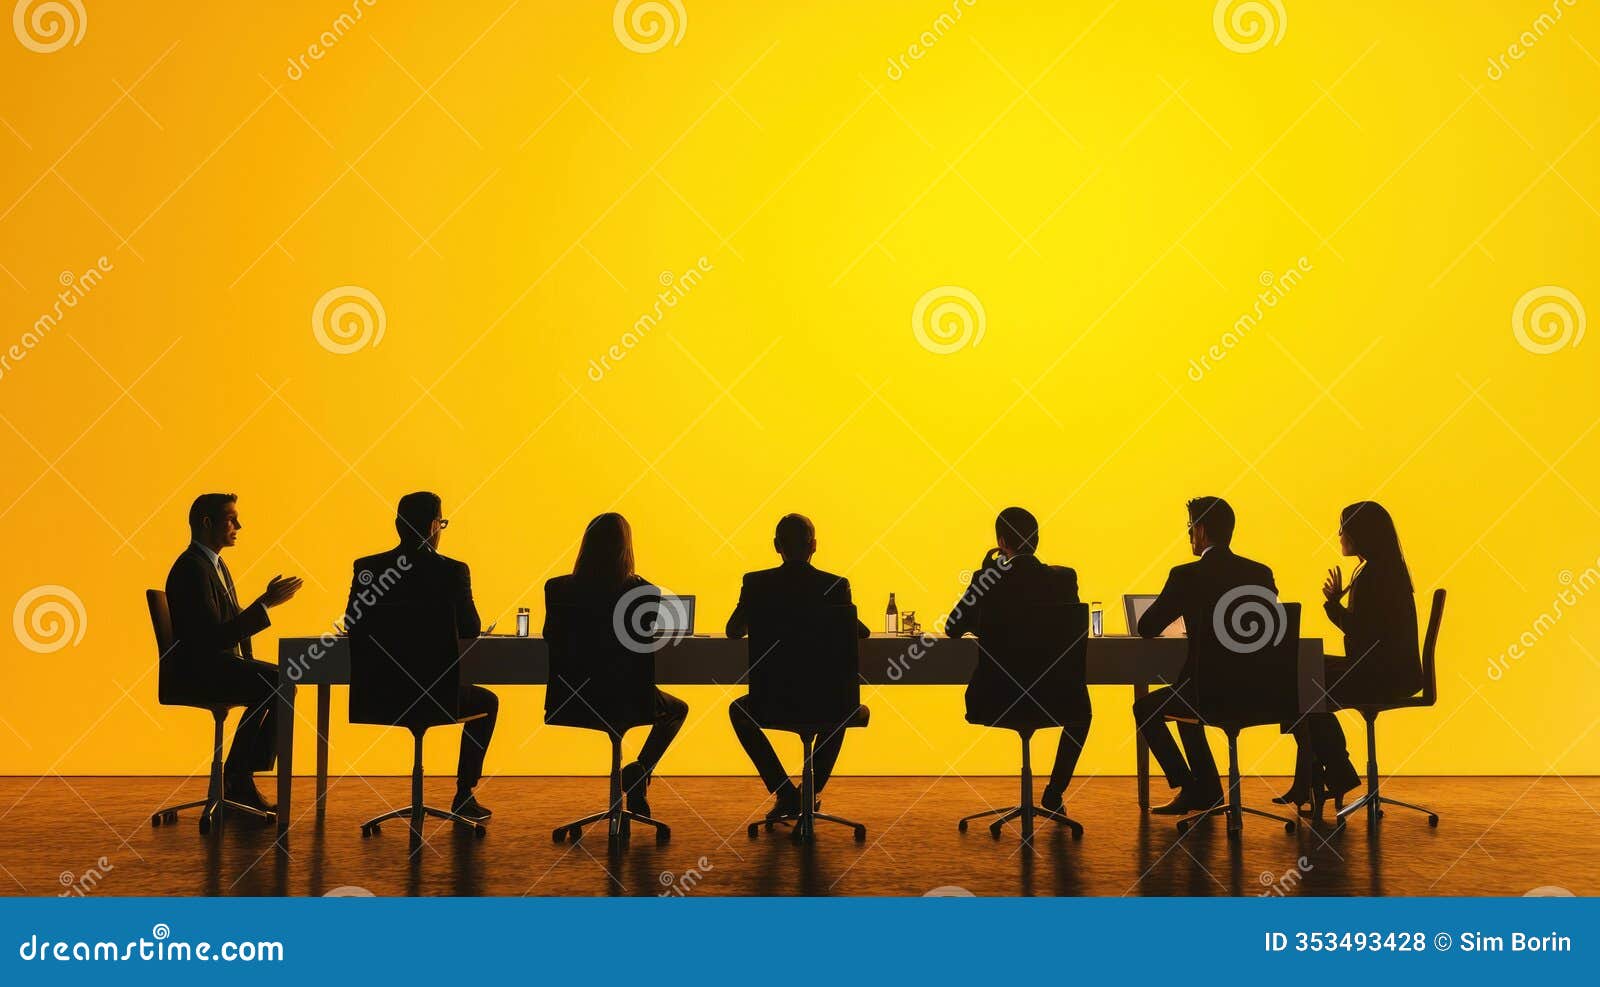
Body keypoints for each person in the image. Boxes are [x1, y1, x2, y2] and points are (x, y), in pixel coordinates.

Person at [346, 492, 497, 823]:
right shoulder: (453, 571)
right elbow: (471, 627)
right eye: (441, 523)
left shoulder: (368, 568)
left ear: (398, 526)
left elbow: (352, 623)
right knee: (488, 701)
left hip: (379, 697)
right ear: (433, 526)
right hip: (437, 698)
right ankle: (463, 793)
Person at [1133, 496, 1277, 815]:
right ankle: (1207, 789)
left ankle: (1191, 786)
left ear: (1200, 530)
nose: (1188, 536)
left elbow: (1147, 626)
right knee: (1184, 694)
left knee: (1146, 708)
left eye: (1189, 528)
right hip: (1261, 692)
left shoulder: (1185, 576)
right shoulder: (1261, 573)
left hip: (1207, 695)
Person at [162, 493, 302, 817]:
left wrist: (264, 603)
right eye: (231, 519)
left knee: (282, 681)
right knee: (281, 682)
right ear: (207, 523)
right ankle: (239, 776)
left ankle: (240, 774)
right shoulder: (192, 570)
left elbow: (227, 621)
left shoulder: (214, 565)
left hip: (215, 665)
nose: (239, 525)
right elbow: (215, 637)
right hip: (199, 671)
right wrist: (265, 604)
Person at [725, 514, 871, 820]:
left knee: (740, 711)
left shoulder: (756, 584)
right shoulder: (835, 586)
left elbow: (734, 631)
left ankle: (786, 793)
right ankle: (810, 792)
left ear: (777, 546)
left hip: (772, 703)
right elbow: (860, 632)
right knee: (845, 706)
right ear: (814, 546)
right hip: (825, 702)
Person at [1277, 502, 1419, 814]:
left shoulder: (1372, 575)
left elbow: (1360, 637)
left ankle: (1330, 773)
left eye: (1344, 527)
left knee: (1298, 679)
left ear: (1360, 533)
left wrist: (1332, 604)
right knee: (1301, 674)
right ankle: (1323, 775)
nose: (1339, 534)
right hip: (1393, 670)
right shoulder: (1384, 569)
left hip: (1381, 673)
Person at [945, 506, 1088, 813]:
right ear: (1036, 540)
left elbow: (953, 627)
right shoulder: (1064, 578)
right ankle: (1054, 790)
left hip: (998, 698)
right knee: (1082, 712)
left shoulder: (987, 578)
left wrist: (985, 574)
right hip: (1055, 698)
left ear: (1001, 542)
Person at [544, 513, 687, 818]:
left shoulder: (557, 589)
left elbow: (550, 636)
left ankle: (636, 774)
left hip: (575, 700)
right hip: (629, 702)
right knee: (677, 709)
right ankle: (639, 770)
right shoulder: (644, 592)